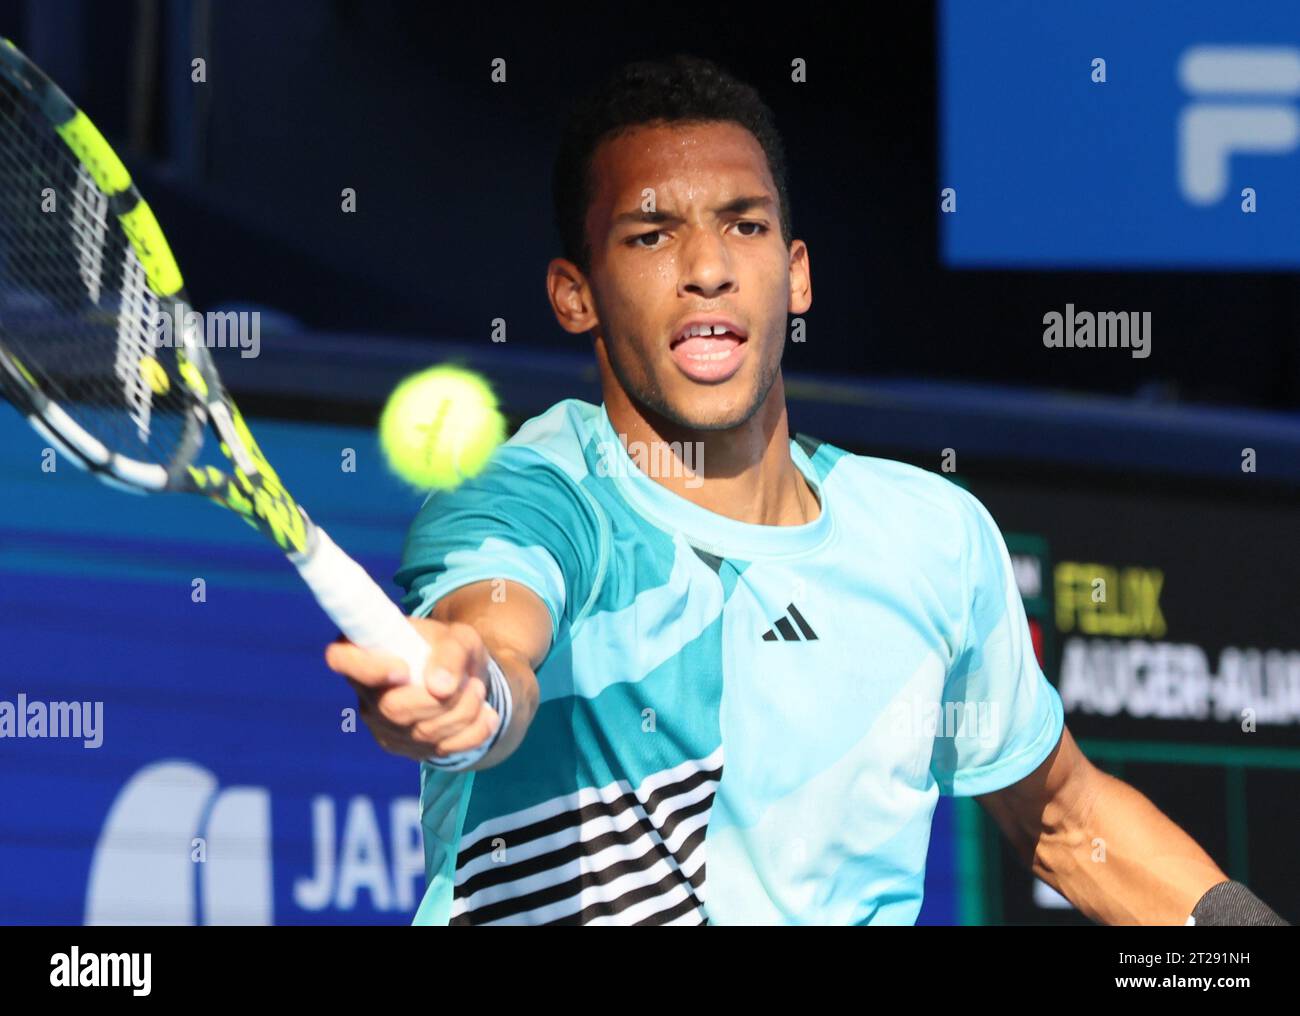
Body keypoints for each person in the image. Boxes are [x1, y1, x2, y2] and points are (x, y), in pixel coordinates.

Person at [325, 55, 1285, 927]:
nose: (707, 269)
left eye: (743, 225)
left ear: (796, 275)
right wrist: (472, 689)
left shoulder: (932, 534)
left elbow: (1069, 822)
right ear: (575, 294)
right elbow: (498, 640)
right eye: (652, 234)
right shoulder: (533, 488)